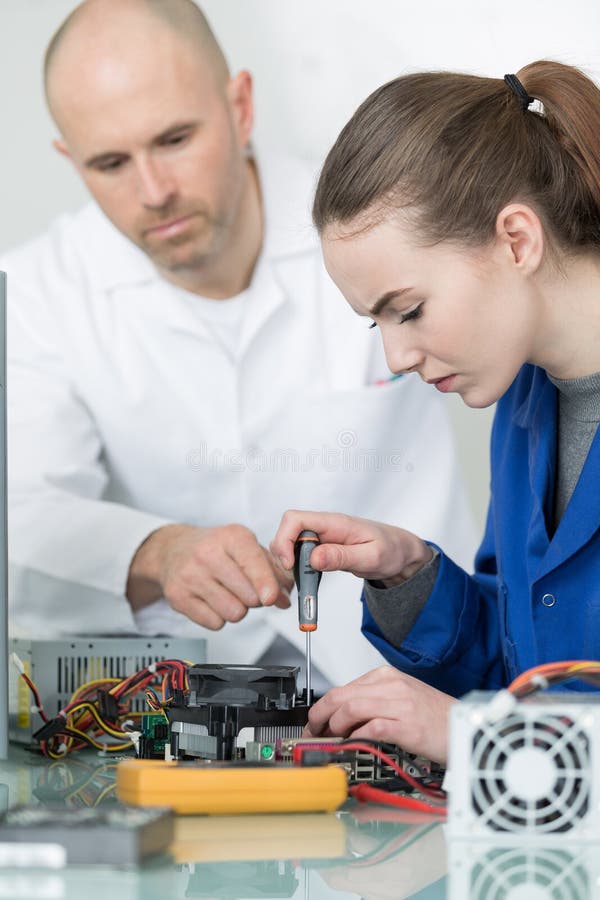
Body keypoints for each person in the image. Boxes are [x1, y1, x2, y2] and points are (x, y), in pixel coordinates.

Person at [2, 0, 476, 689]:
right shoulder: (35, 294)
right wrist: (154, 553)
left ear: (241, 106)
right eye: (109, 162)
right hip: (189, 708)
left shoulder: (377, 225)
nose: (154, 191)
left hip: (421, 683)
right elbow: (23, 515)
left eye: (175, 140)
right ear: (69, 160)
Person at [271, 60, 600, 759]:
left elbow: (520, 721)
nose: (396, 358)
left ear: (517, 239)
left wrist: (474, 735)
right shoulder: (526, 401)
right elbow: (535, 670)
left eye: (410, 310)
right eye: (377, 324)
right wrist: (408, 576)